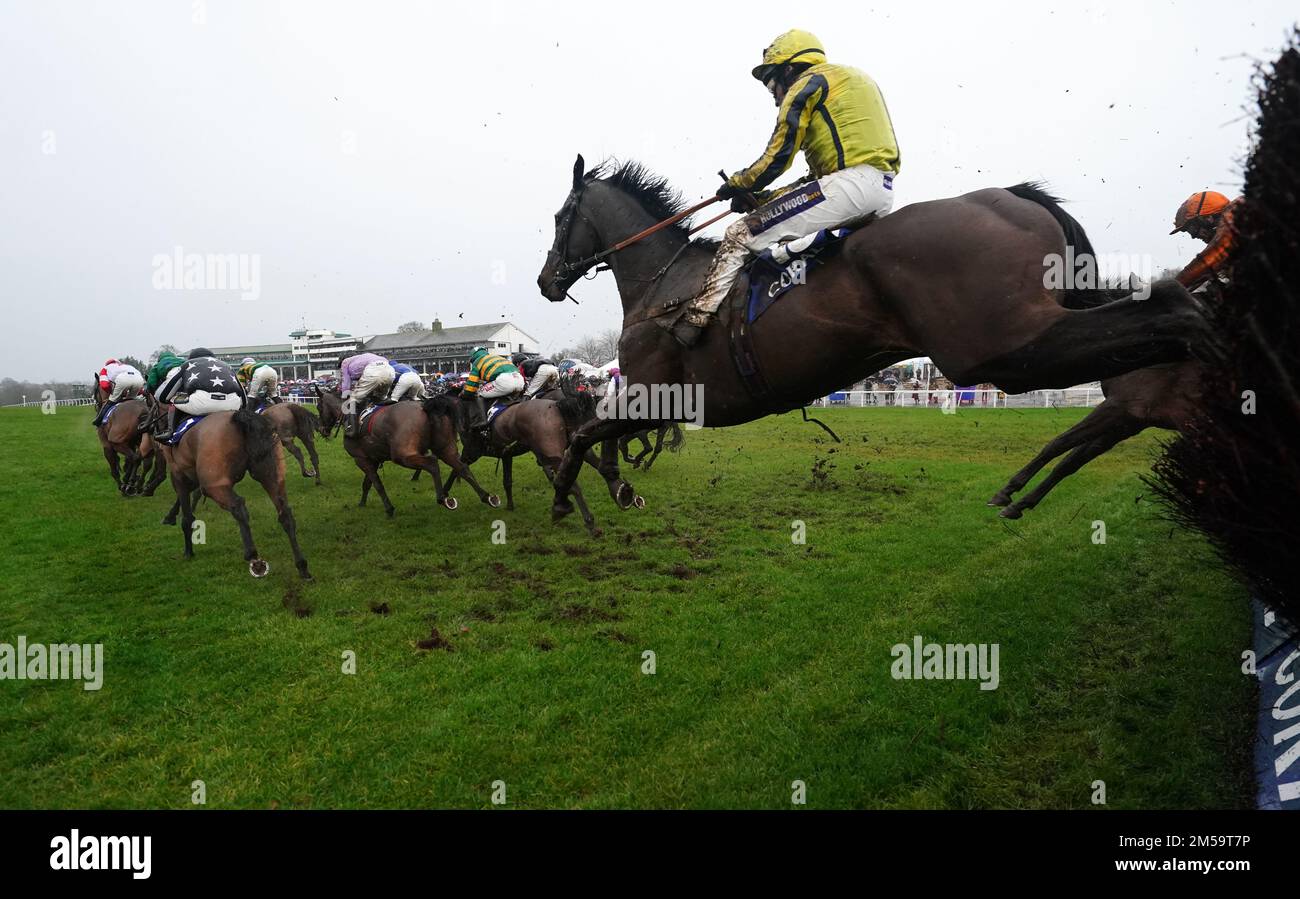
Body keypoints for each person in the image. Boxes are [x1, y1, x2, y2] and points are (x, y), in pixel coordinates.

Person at [677, 29, 901, 347]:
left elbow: (777, 157)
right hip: (877, 189)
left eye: (771, 81)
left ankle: (694, 323)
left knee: (739, 235)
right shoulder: (851, 80)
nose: (773, 93)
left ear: (790, 69)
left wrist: (738, 183)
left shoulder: (806, 85)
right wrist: (763, 199)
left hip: (849, 188)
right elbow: (812, 184)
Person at [146, 347, 245, 441]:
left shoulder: (187, 364)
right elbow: (244, 398)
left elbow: (163, 395)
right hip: (232, 405)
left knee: (173, 398)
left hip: (202, 403)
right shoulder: (227, 366)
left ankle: (170, 431)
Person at [1170, 190, 1244, 292]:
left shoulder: (1235, 212)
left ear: (1208, 218)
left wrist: (1171, 289)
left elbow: (1208, 261)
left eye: (1193, 230)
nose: (1193, 237)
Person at [464, 346, 525, 430]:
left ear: (473, 357)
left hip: (505, 381)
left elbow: (471, 386)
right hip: (519, 380)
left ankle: (482, 420)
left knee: (478, 393)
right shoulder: (497, 357)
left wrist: (466, 393)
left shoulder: (477, 362)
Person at [338, 352, 396, 437]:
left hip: (373, 372)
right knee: (381, 399)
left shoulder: (345, 362)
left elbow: (346, 385)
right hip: (390, 371)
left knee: (352, 400)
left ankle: (352, 430)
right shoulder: (365, 357)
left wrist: (344, 397)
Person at [91, 358, 145, 426]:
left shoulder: (105, 369)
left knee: (111, 400)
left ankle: (98, 420)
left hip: (123, 380)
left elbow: (104, 385)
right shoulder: (128, 366)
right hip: (139, 380)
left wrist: (112, 393)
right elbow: (141, 390)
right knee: (130, 400)